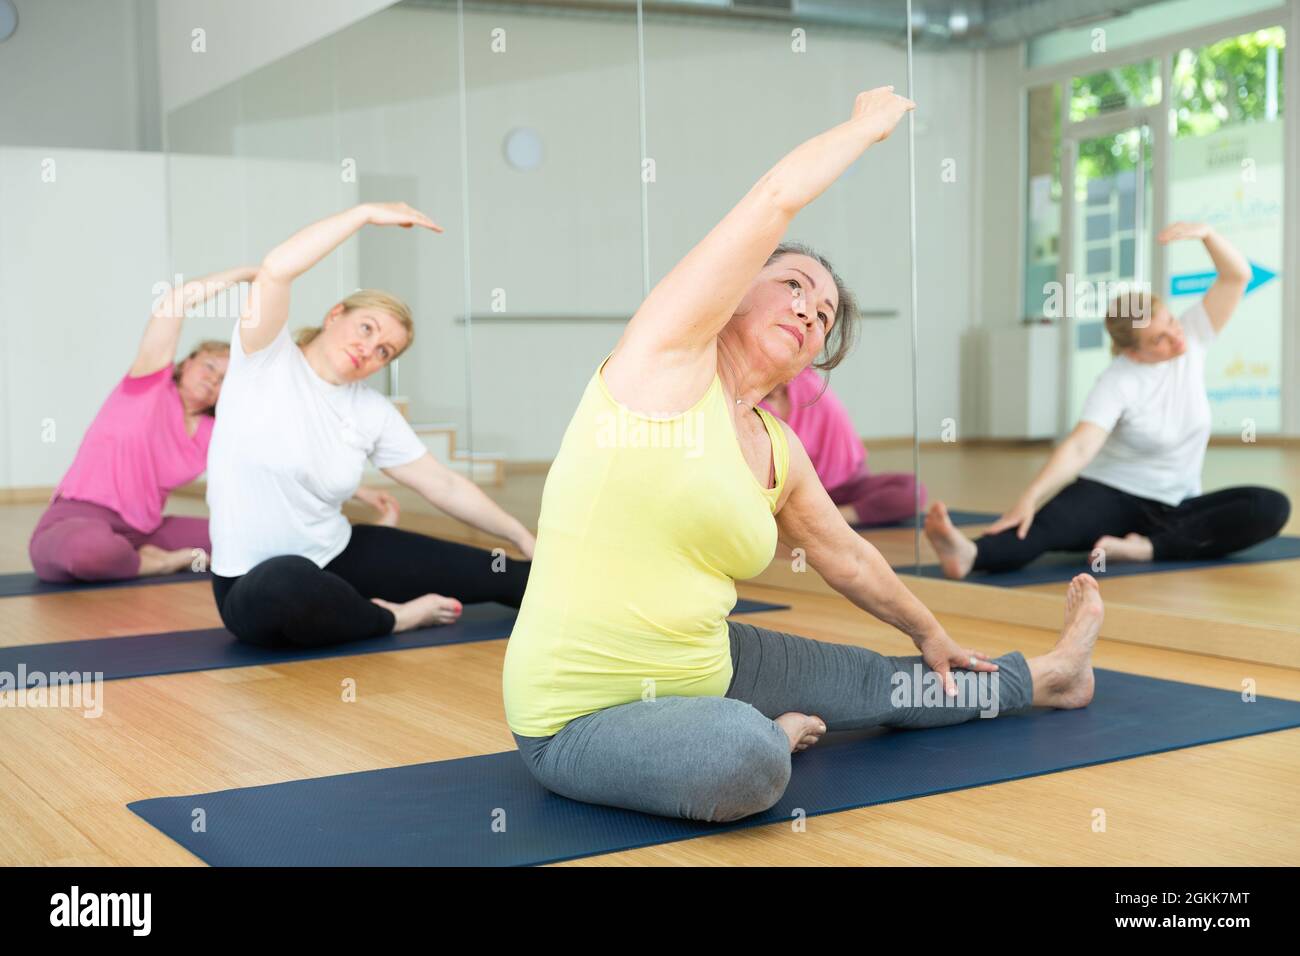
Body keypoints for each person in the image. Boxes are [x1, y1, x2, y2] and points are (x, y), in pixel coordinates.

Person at [502, 88, 1102, 823]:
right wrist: (862, 129)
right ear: (732, 296)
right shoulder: (659, 365)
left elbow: (846, 556)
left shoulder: (777, 448)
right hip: (578, 719)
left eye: (822, 316)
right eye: (791, 287)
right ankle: (775, 736)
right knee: (746, 758)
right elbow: (772, 201)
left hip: (711, 664)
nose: (808, 313)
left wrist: (929, 631)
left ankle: (1050, 677)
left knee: (889, 683)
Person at [206, 202, 535, 648]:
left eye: (384, 350)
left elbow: (443, 485)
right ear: (334, 314)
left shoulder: (371, 410)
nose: (369, 349)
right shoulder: (264, 360)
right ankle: (392, 617)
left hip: (340, 552)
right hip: (251, 583)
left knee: (508, 575)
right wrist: (363, 215)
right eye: (366, 328)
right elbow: (277, 269)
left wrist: (520, 535)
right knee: (286, 583)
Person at [925, 222, 1290, 579]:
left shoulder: (1192, 338)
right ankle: (968, 553)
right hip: (1111, 494)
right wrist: (1031, 497)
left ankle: (1143, 548)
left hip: (1176, 505)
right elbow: (1081, 447)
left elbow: (1236, 276)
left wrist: (1208, 236)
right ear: (1132, 353)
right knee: (1046, 528)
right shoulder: (1118, 380)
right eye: (1159, 339)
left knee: (1269, 506)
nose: (1175, 339)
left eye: (1171, 324)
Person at [28, 269, 251, 582]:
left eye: (225, 378)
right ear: (186, 363)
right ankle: (158, 563)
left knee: (249, 538)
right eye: (209, 366)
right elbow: (174, 303)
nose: (213, 378)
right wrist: (249, 274)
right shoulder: (148, 386)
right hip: (78, 519)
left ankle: (133, 557)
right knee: (86, 551)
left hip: (147, 531)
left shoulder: (214, 431)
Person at [759, 360, 924, 526]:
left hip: (849, 484)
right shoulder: (748, 407)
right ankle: (821, 517)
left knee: (914, 491)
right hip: (798, 495)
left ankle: (835, 517)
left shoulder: (804, 376)